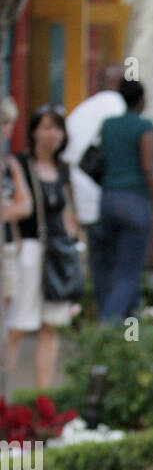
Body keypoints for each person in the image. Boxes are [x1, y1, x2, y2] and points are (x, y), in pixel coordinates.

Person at [6, 106, 81, 392]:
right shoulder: (20, 164)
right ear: (34, 130)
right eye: (47, 127)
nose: (53, 134)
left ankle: (43, 397)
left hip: (59, 251)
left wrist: (73, 237)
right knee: (18, 323)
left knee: (51, 325)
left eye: (58, 128)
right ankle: (5, 396)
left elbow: (67, 211)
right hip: (31, 251)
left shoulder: (63, 169)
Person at [98, 78, 153, 321]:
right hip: (134, 201)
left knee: (112, 268)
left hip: (108, 199)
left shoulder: (107, 125)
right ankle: (107, 330)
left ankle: (129, 331)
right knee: (129, 272)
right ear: (142, 100)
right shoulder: (144, 127)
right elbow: (148, 167)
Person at [63, 64, 125, 313]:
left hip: (86, 202)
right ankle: (119, 325)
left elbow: (66, 159)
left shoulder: (82, 110)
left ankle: (103, 318)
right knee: (120, 266)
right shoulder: (116, 106)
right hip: (109, 199)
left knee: (100, 265)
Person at [1, 97, 32, 308]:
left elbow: (25, 205)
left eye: (7, 122)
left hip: (7, 246)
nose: (5, 128)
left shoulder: (10, 164)